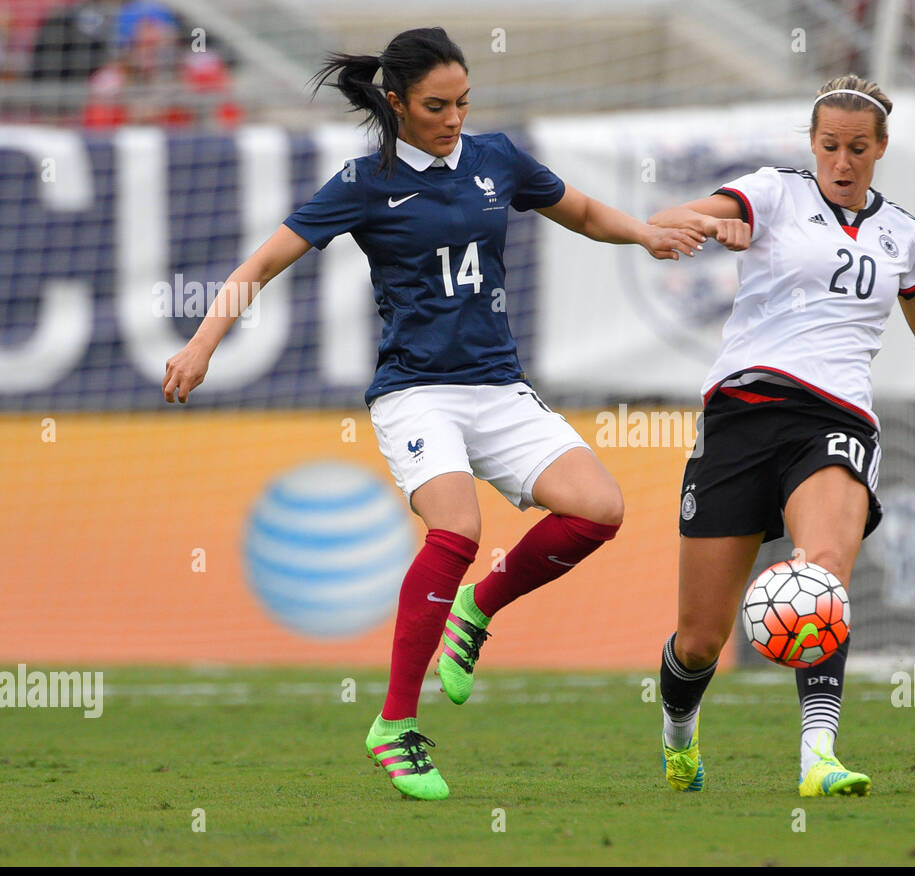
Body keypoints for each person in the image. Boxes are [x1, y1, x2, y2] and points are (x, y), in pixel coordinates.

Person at [161, 27, 699, 801]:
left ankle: (479, 607)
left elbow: (579, 211)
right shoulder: (364, 183)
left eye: (463, 102)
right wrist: (203, 343)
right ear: (397, 104)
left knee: (599, 509)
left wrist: (645, 232)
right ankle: (394, 727)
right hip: (417, 391)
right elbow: (263, 263)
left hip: (498, 387)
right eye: (437, 106)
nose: (454, 118)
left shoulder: (496, 159)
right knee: (457, 530)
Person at [647, 75, 915, 796]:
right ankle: (679, 736)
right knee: (698, 642)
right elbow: (664, 219)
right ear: (811, 146)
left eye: (856, 148)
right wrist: (702, 223)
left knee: (821, 580)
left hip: (836, 420)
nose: (841, 163)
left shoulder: (904, 235)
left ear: (881, 148)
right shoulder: (774, 193)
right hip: (741, 417)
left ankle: (819, 757)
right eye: (828, 147)